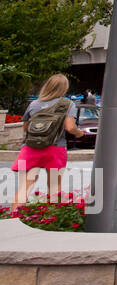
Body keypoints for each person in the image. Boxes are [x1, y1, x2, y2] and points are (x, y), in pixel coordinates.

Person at [11, 74, 76, 210]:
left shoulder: (34, 104)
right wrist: (79, 133)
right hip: (55, 148)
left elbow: (26, 127)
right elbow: (70, 127)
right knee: (54, 187)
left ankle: (13, 217)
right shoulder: (68, 104)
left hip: (30, 148)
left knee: (25, 187)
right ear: (64, 88)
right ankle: (51, 220)